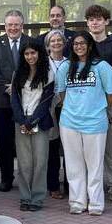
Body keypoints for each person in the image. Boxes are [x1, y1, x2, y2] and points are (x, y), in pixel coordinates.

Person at [56, 32, 112, 215]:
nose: (79, 46)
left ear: (90, 45)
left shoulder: (102, 66)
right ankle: (77, 202)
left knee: (95, 165)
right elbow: (61, 93)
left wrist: (97, 107)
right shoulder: (66, 66)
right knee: (74, 165)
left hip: (95, 122)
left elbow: (111, 93)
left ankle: (96, 204)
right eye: (75, 44)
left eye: (82, 43)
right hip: (69, 122)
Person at [0, 10, 34, 191]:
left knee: (26, 140)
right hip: (2, 100)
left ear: (22, 25)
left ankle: (27, 178)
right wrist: (7, 85)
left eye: (16, 25)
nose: (13, 28)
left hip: (26, 99)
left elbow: (36, 66)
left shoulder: (31, 43)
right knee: (4, 142)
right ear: (5, 26)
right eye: (10, 25)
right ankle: (6, 178)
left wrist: (19, 86)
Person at [85, 4, 112, 205]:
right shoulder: (82, 45)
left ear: (106, 21)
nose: (95, 22)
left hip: (110, 106)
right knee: (89, 151)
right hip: (85, 108)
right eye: (91, 19)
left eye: (98, 19)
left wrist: (107, 102)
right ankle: (91, 189)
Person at [10, 41, 56, 212]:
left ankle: (37, 198)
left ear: (39, 53)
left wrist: (32, 121)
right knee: (24, 163)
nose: (30, 57)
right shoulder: (18, 74)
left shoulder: (49, 73)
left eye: (33, 53)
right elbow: (14, 99)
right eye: (27, 54)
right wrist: (22, 121)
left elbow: (46, 102)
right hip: (21, 122)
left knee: (40, 162)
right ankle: (25, 197)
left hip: (40, 122)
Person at [43, 29, 69, 201]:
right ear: (47, 45)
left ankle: (70, 184)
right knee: (52, 148)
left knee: (69, 149)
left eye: (59, 40)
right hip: (50, 110)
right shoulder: (43, 63)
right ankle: (52, 185)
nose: (56, 43)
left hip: (68, 109)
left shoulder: (71, 62)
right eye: (53, 41)